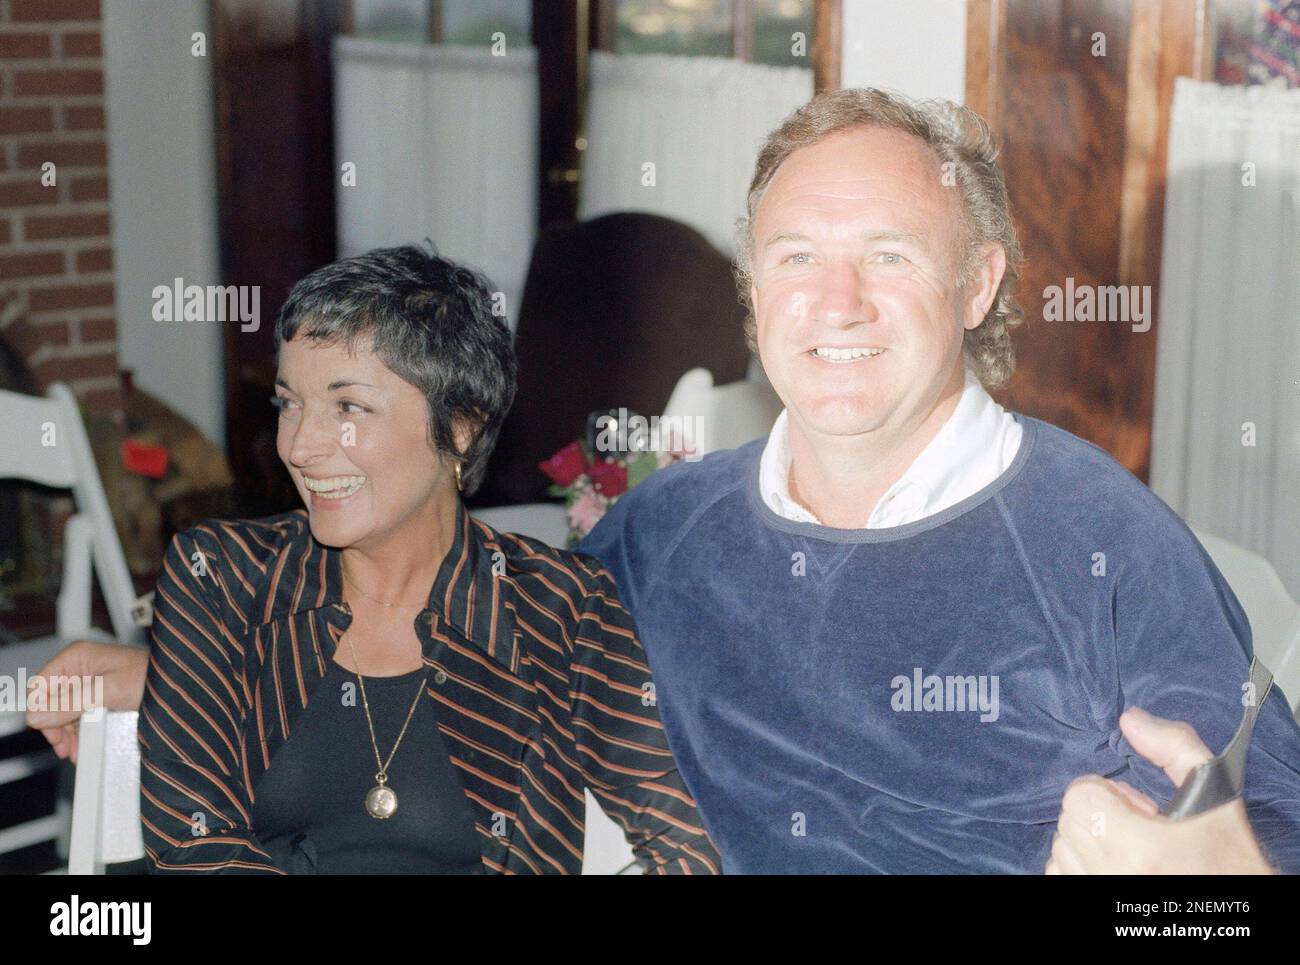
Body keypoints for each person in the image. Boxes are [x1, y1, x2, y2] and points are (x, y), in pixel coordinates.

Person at [31, 88, 1300, 875]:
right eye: (795, 256)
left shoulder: (1100, 540)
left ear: (975, 286)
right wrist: (172, 673)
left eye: (889, 255)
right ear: (751, 296)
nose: (836, 301)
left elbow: (1266, 828)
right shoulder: (670, 528)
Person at [28, 245, 718, 875]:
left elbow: (686, 842)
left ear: (459, 425)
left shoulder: (560, 606)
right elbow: (196, 850)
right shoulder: (223, 576)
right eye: (289, 404)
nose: (299, 446)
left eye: (348, 408)